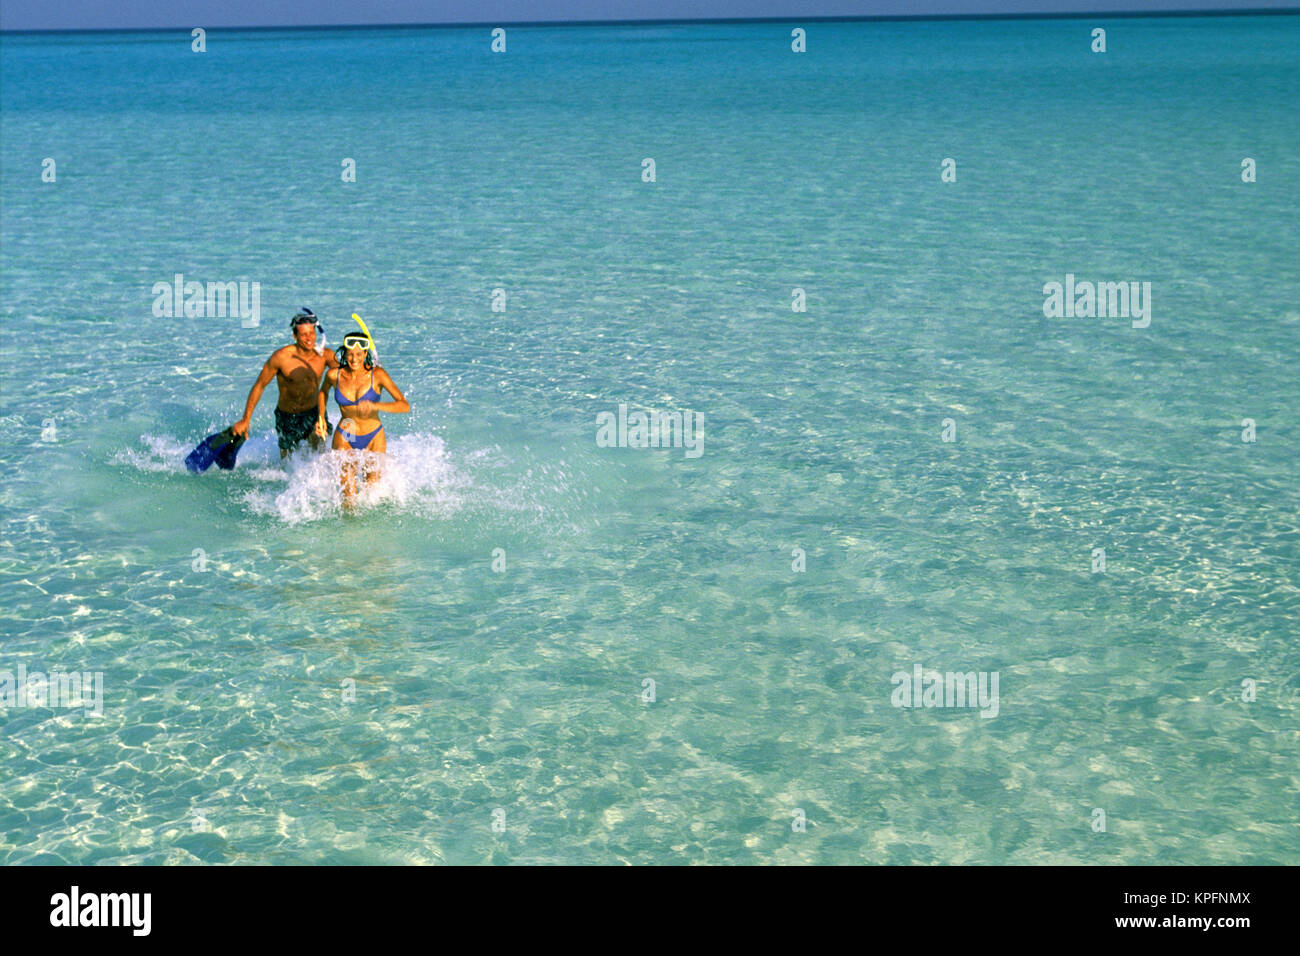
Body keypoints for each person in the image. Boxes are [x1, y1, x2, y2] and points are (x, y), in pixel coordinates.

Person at [316, 329, 409, 505]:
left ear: (366, 353)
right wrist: (320, 416)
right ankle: (347, 531)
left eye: (359, 354)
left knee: (370, 497)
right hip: (346, 434)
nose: (354, 359)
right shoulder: (333, 375)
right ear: (344, 353)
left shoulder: (378, 375)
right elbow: (322, 393)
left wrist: (376, 405)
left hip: (373, 437)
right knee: (348, 498)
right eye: (350, 354)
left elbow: (404, 405)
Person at [230, 308, 339, 458]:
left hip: (314, 412)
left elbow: (346, 375)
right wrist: (246, 419)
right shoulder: (281, 357)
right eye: (304, 334)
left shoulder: (326, 355)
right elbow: (259, 385)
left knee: (319, 453)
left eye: (312, 333)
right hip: (288, 416)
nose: (309, 338)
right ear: (295, 336)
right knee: (288, 463)